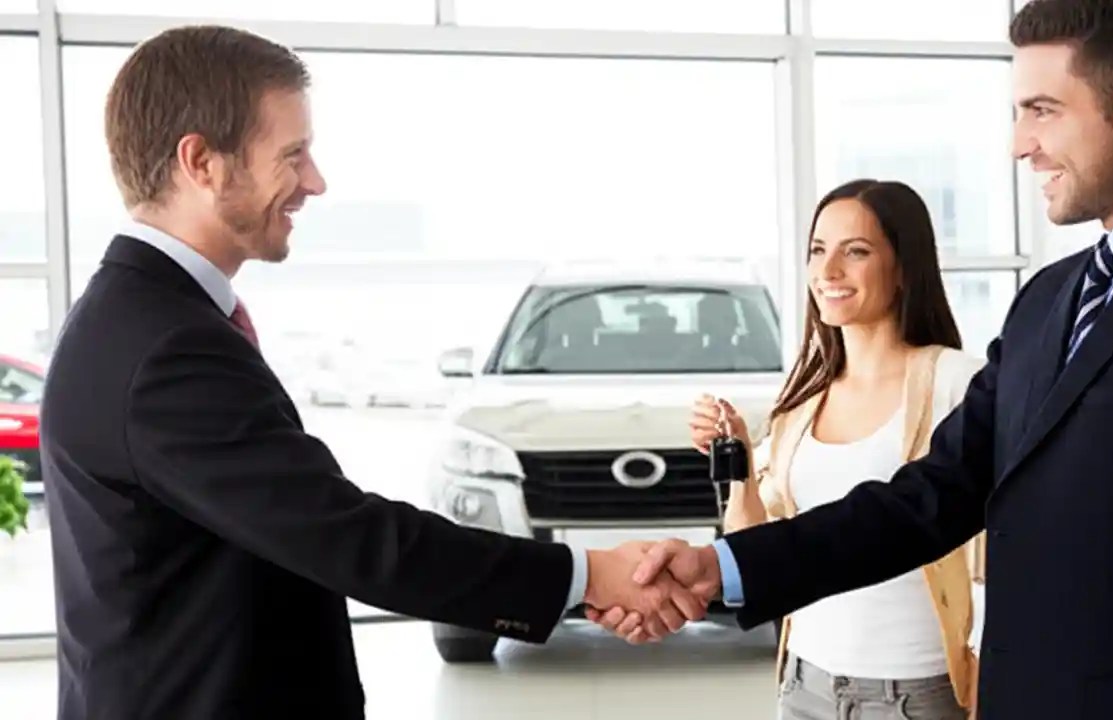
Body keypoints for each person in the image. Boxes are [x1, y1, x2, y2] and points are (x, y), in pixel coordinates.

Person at [595, 1, 1113, 718]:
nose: (1021, 144)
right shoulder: (1049, 298)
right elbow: (931, 495)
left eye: (1042, 110)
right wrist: (721, 567)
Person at [39, 26, 707, 720]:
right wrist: (589, 574)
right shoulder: (165, 348)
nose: (315, 182)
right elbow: (344, 535)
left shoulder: (139, 317)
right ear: (201, 161)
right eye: (292, 154)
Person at [692, 180, 985, 719]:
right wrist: (741, 470)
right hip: (805, 681)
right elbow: (761, 548)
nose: (828, 273)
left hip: (913, 692)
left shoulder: (958, 383)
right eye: (818, 251)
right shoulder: (802, 402)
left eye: (856, 252)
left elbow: (998, 550)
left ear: (903, 267)